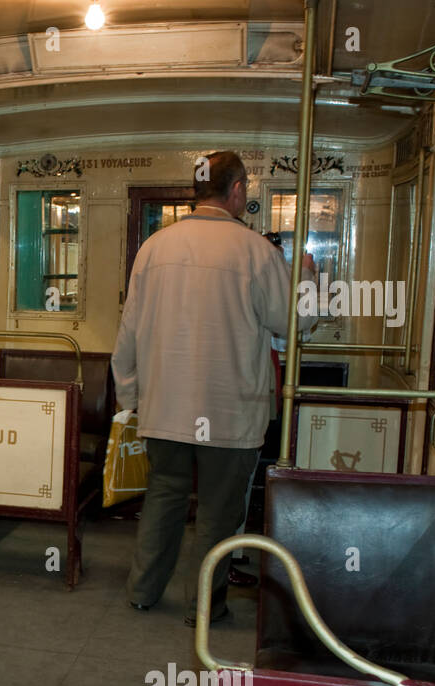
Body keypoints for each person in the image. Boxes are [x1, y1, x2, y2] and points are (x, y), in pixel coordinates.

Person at [111, 151, 314, 625]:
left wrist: (131, 401)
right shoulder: (256, 252)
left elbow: (129, 337)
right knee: (219, 515)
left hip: (165, 410)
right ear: (237, 189)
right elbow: (295, 324)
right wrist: (303, 274)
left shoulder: (154, 248)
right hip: (229, 413)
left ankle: (143, 591)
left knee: (163, 498)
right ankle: (205, 606)